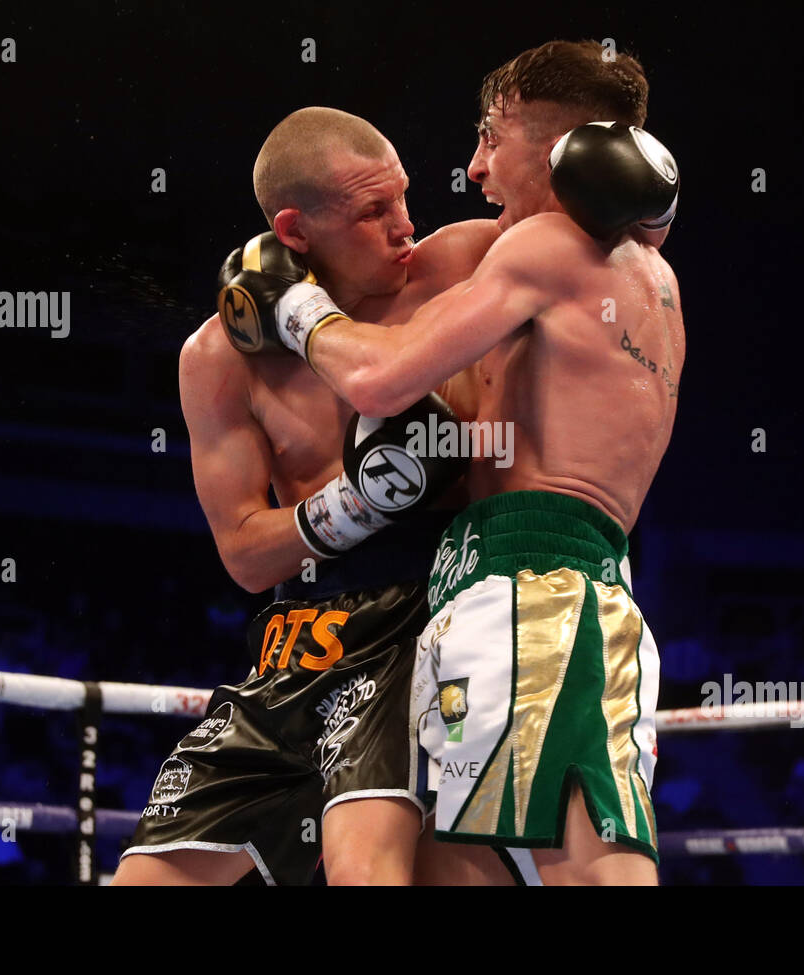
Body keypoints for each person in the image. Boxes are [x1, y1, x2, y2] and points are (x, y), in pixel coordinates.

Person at [224, 40, 683, 885]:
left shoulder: (548, 246)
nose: (475, 168)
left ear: (556, 150)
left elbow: (377, 372)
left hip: (535, 585)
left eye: (489, 137)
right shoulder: (636, 268)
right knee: (462, 871)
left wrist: (294, 302)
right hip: (503, 589)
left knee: (592, 869)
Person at [111, 106, 498, 886]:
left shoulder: (461, 263)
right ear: (294, 230)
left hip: (427, 618)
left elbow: (589, 245)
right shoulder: (218, 357)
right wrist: (358, 502)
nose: (405, 225)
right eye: (372, 211)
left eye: (402, 197)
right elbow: (246, 556)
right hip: (298, 636)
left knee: (370, 871)